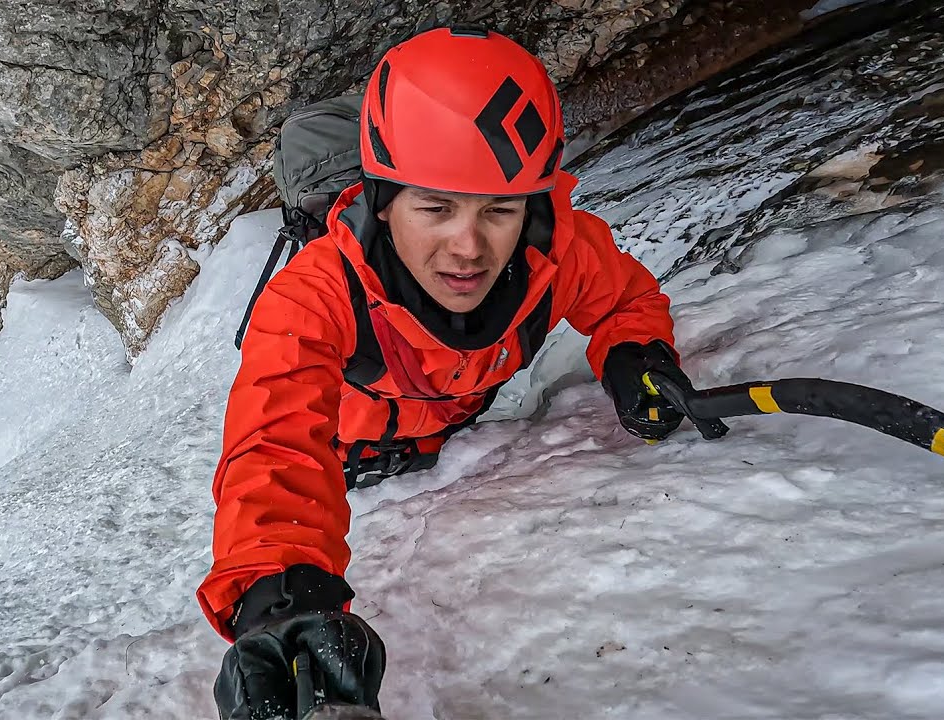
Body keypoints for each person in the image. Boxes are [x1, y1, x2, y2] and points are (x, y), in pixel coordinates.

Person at [200, 26, 717, 719]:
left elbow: (626, 299)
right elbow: (276, 442)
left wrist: (634, 355)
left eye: (498, 210)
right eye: (435, 208)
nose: (468, 248)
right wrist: (281, 597)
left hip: (450, 422)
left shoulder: (556, 249)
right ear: (382, 200)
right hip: (349, 451)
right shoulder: (315, 295)